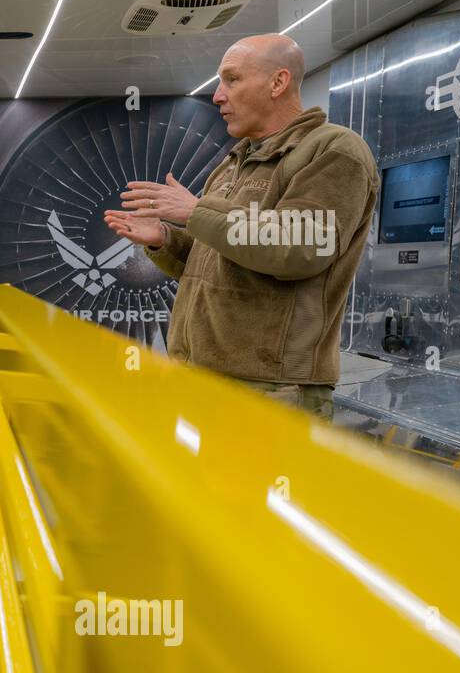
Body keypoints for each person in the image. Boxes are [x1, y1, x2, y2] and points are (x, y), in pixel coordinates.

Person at [104, 33, 379, 421]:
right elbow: (220, 258)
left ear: (278, 83)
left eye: (231, 79)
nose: (218, 95)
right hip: (203, 377)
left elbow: (299, 249)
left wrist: (198, 213)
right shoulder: (236, 161)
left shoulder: (333, 150)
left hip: (271, 390)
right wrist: (166, 240)